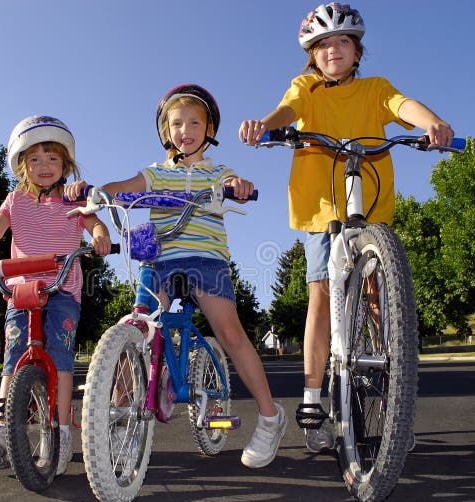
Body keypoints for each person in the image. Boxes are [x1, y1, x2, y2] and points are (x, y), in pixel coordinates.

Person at [239, 3, 454, 453]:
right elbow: (287, 109)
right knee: (320, 294)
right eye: (322, 45)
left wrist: (431, 122)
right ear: (312, 57)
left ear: (357, 52)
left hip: (370, 203)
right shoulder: (307, 88)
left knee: (379, 296)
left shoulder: (375, 89)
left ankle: (393, 395)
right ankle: (313, 398)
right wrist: (267, 125)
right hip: (323, 209)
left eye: (342, 42)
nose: (332, 50)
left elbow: (403, 105)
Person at [67, 84, 287, 468]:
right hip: (159, 261)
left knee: (230, 334)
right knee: (135, 327)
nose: (185, 130)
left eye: (194, 122)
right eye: (177, 123)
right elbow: (124, 187)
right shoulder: (155, 173)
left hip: (207, 260)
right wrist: (99, 194)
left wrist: (238, 188)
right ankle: (120, 418)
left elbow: (234, 186)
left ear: (209, 128)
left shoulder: (219, 171)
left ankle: (270, 416)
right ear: (166, 132)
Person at [0, 115, 111, 475]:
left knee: (59, 359)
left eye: (53, 159)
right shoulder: (15, 200)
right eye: (35, 159)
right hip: (22, 292)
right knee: (13, 359)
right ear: (22, 164)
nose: (44, 167)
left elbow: (94, 222)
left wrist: (100, 234)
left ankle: (57, 431)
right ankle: (1, 427)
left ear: (66, 164)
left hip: (61, 292)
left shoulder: (74, 199)